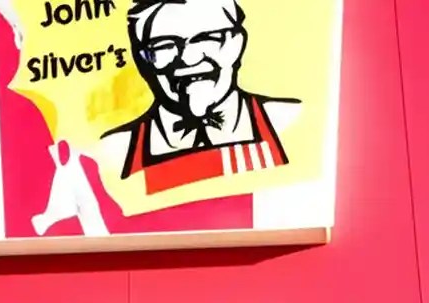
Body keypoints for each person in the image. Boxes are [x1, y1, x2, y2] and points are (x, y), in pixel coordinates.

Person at [101, 0, 300, 195]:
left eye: (208, 38)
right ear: (142, 58)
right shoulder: (116, 150)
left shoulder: (288, 120)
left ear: (237, 43)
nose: (189, 58)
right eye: (164, 45)